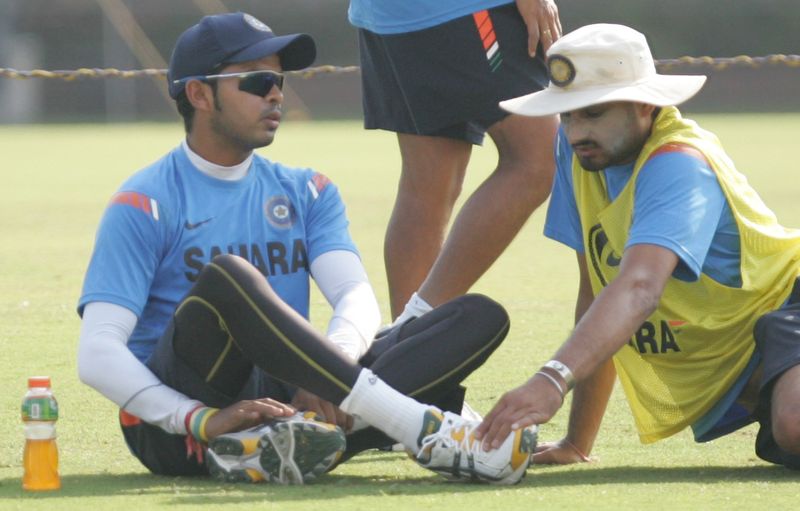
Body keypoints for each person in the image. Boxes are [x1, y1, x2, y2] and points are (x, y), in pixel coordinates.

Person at [76, 12, 536, 485]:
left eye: (278, 79)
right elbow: (97, 353)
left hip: (290, 396)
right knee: (227, 277)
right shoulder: (145, 201)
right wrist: (198, 419)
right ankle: (414, 426)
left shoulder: (306, 189)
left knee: (476, 316)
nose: (276, 93)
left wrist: (326, 376)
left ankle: (291, 442)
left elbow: (355, 296)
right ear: (198, 94)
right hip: (181, 427)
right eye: (257, 81)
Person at [475, 23, 800, 470]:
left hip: (790, 312)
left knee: (795, 424)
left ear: (645, 104)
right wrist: (576, 441)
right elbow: (599, 289)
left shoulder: (678, 164)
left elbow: (638, 288)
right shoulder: (578, 156)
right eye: (567, 115)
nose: (575, 132)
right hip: (760, 361)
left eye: (593, 113)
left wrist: (552, 378)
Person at [348, 0, 562, 323]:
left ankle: (409, 360)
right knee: (538, 160)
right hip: (461, 10)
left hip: (389, 16)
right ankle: (415, 324)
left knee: (428, 186)